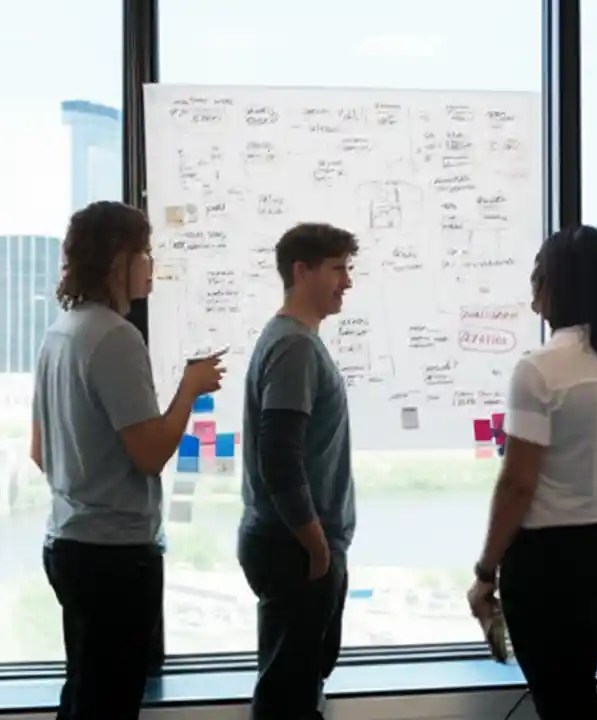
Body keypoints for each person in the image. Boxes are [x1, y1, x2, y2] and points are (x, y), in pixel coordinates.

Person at [29, 201, 225, 720]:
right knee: (111, 703)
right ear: (118, 260)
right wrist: (190, 389)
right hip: (114, 557)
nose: (151, 265)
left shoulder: (61, 331)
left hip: (67, 543)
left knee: (84, 693)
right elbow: (150, 453)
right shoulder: (117, 337)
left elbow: (39, 451)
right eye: (145, 252)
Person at [466, 225, 597, 719]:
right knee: (573, 690)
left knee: (563, 700)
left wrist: (485, 572)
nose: (533, 284)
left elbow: (518, 484)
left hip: (552, 558)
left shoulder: (541, 369)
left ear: (556, 284)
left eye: (538, 273)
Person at [238, 222, 359, 719]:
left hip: (293, 543)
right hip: (294, 546)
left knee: (296, 687)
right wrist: (316, 547)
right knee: (287, 700)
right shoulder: (295, 347)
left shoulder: (294, 340)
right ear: (301, 271)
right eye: (337, 269)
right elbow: (279, 457)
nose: (346, 282)